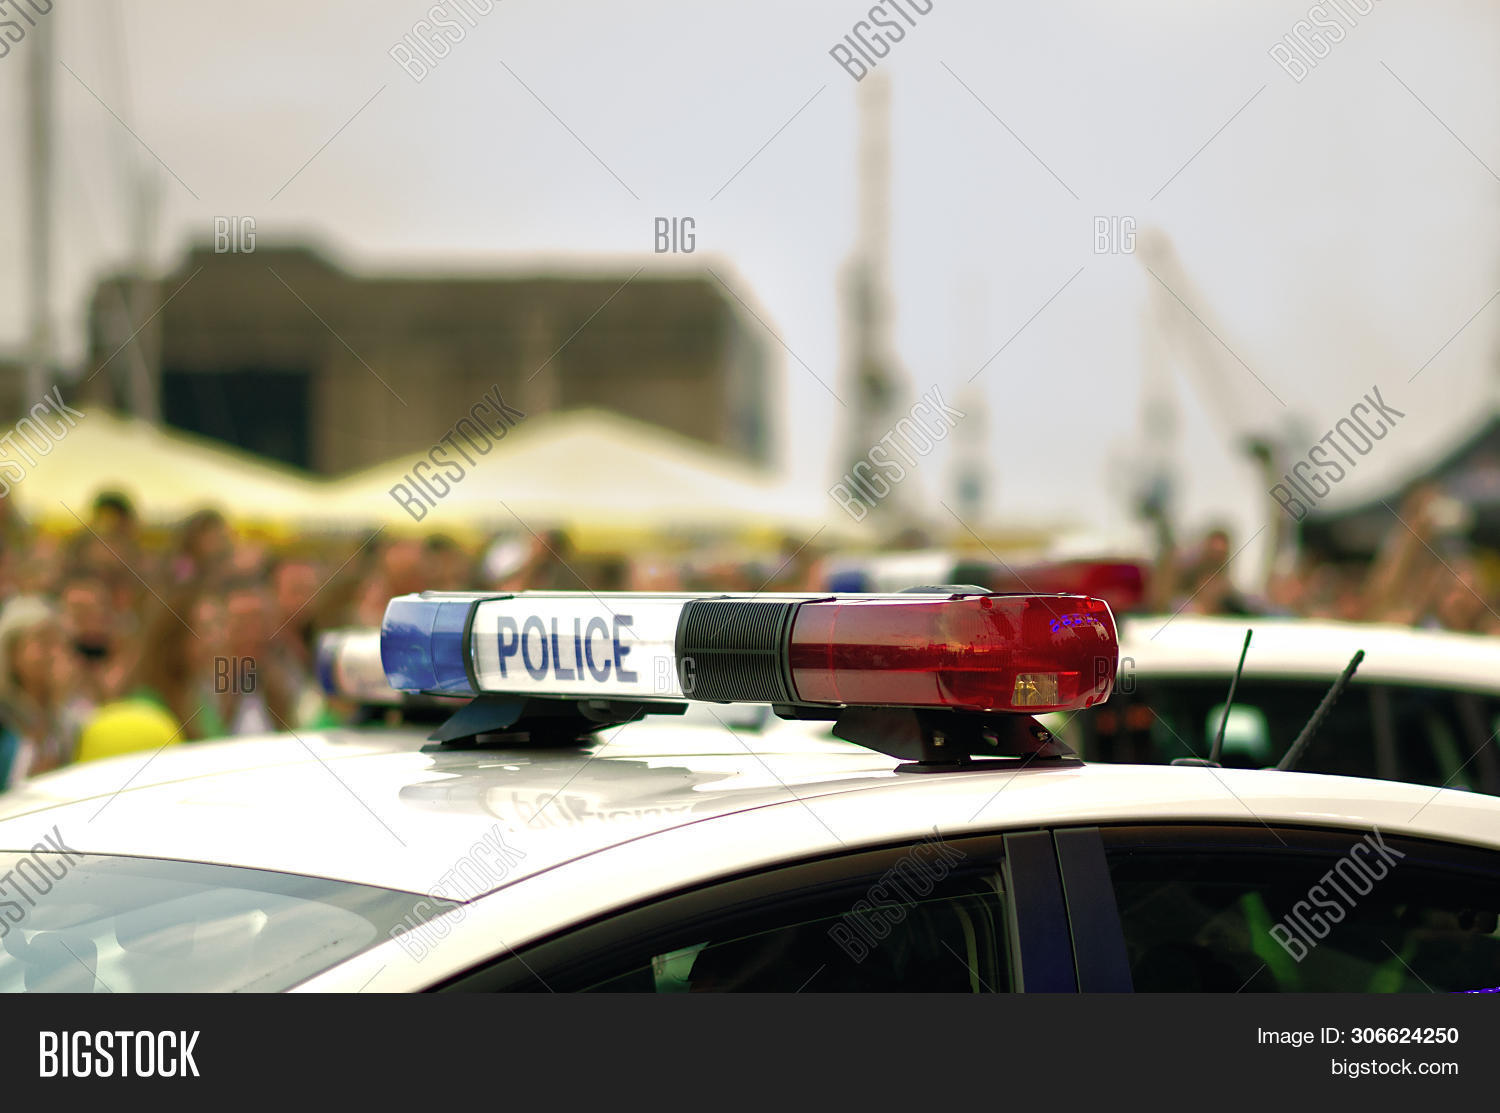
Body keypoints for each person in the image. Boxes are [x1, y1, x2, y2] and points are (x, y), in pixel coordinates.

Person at [0, 596, 89, 791]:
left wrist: (59, 702)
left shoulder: (70, 711)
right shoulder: (5, 719)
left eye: (60, 643)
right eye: (44, 642)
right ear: (13, 653)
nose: (55, 653)